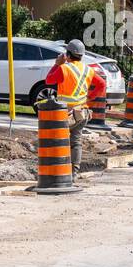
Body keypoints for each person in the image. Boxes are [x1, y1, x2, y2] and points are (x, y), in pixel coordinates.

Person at [43, 39, 106, 176]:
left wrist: (56, 64)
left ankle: (59, 170)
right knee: (76, 140)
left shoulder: (64, 69)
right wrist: (90, 98)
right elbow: (102, 85)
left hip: (64, 113)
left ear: (68, 54)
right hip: (81, 112)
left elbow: (48, 80)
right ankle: (74, 171)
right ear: (82, 55)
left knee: (60, 140)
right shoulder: (88, 70)